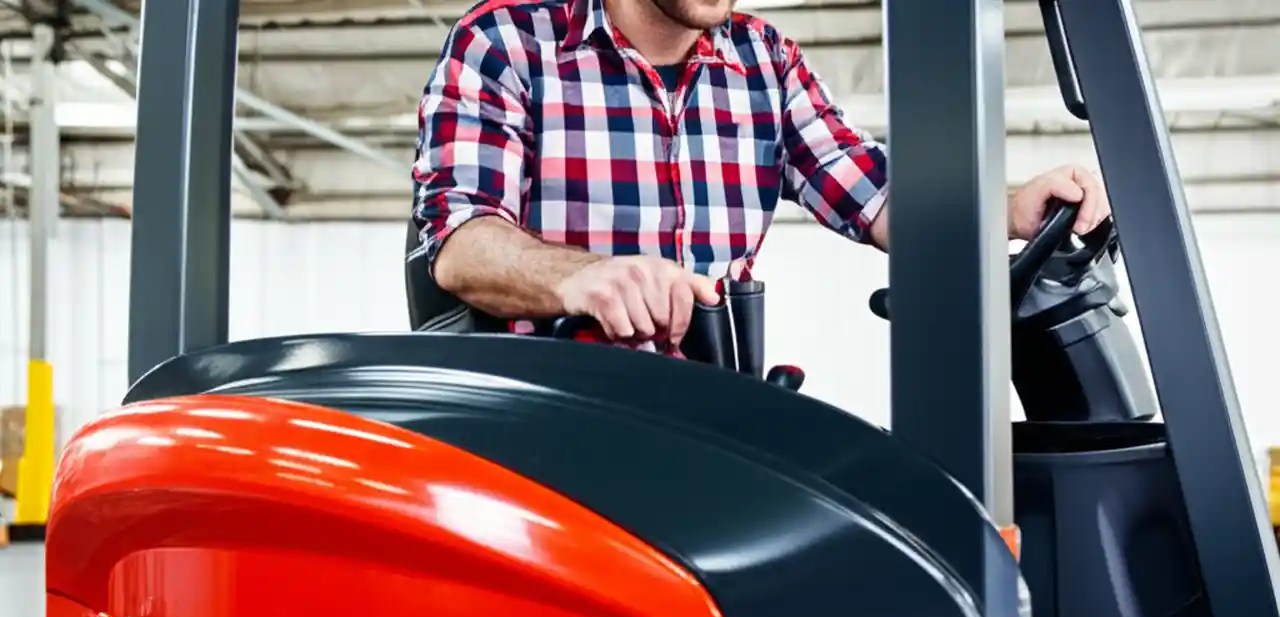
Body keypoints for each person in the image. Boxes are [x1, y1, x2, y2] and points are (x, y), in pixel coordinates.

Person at [412, 0, 1109, 349]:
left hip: (715, 418)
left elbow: (877, 196)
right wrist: (583, 277)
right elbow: (462, 244)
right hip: (550, 430)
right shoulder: (505, 43)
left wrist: (1011, 210)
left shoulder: (764, 60)